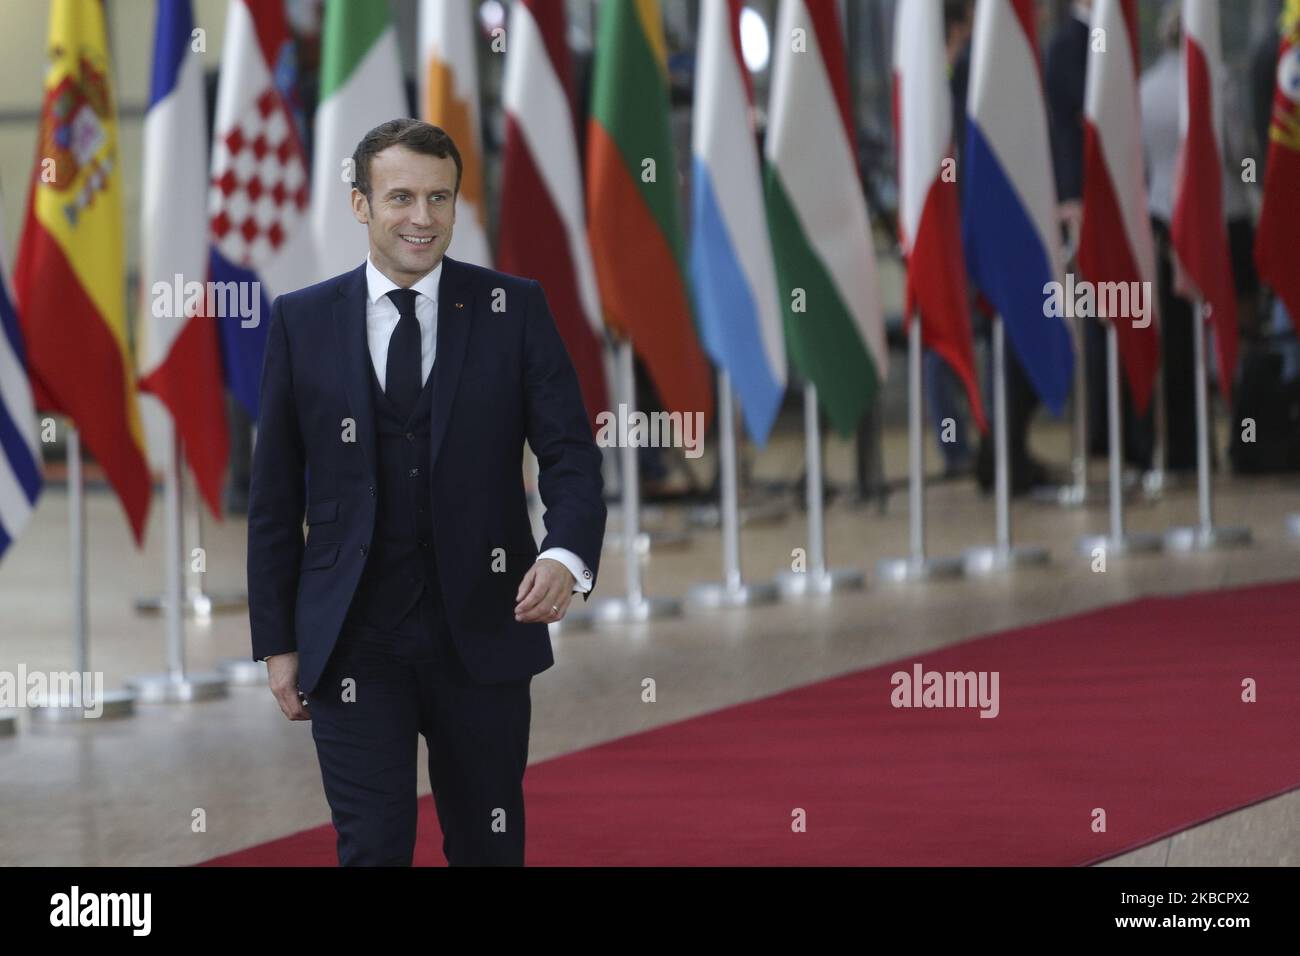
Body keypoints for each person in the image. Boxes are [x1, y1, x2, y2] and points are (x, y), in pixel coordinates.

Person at [246, 119, 606, 866]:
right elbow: (275, 496)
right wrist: (278, 642)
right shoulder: (301, 321)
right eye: (401, 197)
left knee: (486, 847)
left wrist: (566, 553)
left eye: (439, 198)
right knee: (372, 848)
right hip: (352, 641)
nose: (422, 217)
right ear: (360, 205)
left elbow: (570, 451)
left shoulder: (515, 308)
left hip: (484, 628)